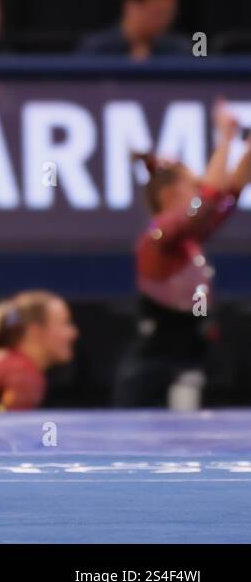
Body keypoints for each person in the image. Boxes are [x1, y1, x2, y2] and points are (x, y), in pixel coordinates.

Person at [114, 101, 251, 406]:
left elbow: (228, 193)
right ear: (169, 195)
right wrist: (226, 138)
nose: (201, 187)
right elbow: (210, 198)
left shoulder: (190, 236)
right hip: (148, 376)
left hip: (184, 362)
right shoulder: (159, 235)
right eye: (194, 185)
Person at [78, 0, 188, 58]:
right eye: (157, 13)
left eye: (169, 14)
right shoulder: (95, 50)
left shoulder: (180, 51)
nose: (165, 21)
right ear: (131, 6)